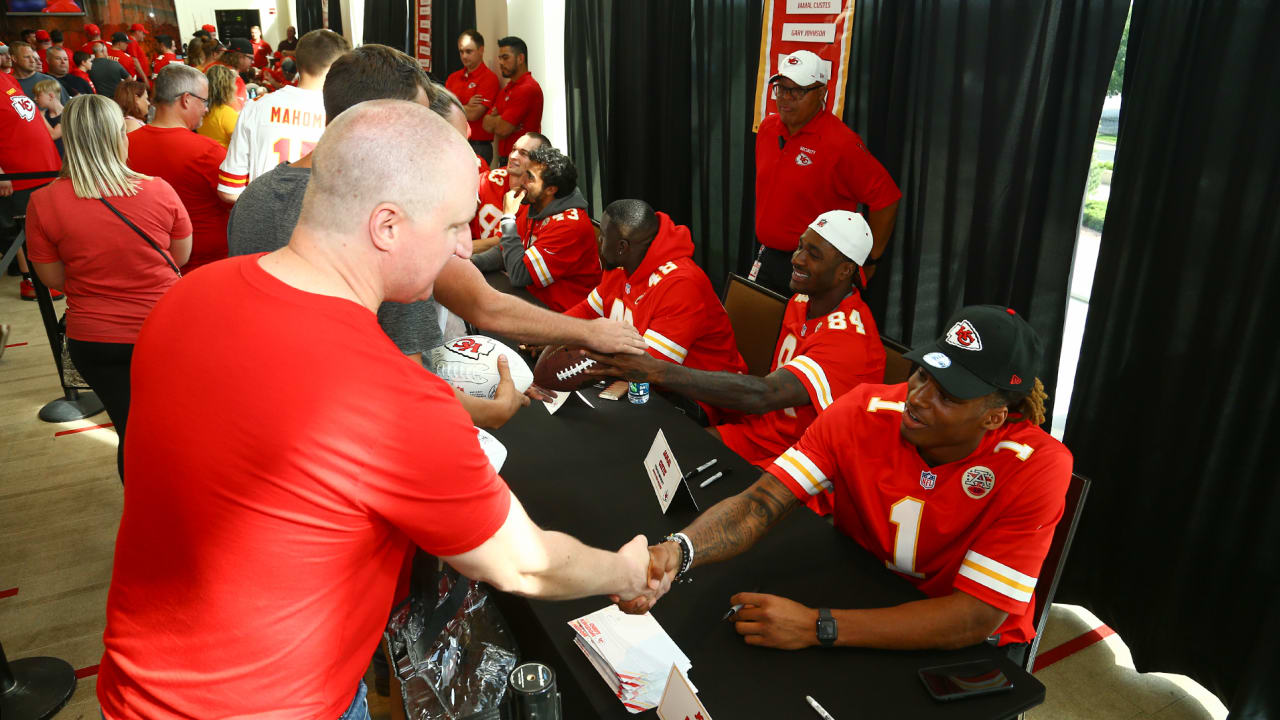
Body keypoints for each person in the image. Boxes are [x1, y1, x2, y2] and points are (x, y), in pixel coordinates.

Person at [96, 98, 654, 719]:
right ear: (387, 225)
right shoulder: (391, 399)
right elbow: (527, 566)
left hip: (135, 688)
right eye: (453, 227)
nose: (467, 249)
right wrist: (626, 570)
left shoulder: (186, 297)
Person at [620, 306, 1070, 666]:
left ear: (995, 417)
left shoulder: (1039, 467)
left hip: (962, 642)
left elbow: (972, 618)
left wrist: (819, 627)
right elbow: (761, 503)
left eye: (947, 395)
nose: (917, 397)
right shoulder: (863, 409)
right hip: (864, 592)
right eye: (921, 374)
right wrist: (676, 553)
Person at [228, 45, 643, 424]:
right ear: (387, 118)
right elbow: (410, 381)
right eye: (424, 121)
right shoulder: (392, 228)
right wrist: (487, 411)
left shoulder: (253, 199)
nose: (462, 243)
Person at [589, 210, 886, 513]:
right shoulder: (802, 301)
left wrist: (658, 371)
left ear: (845, 271)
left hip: (804, 458)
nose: (796, 259)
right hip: (763, 433)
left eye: (813, 254)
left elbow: (764, 395)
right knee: (662, 457)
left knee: (702, 507)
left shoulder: (849, 340)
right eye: (800, 246)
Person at [24, 94, 192, 480]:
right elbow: (180, 257)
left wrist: (97, 277)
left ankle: (143, 516)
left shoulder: (43, 202)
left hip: (96, 339)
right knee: (174, 428)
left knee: (129, 429)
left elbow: (51, 280)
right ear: (119, 136)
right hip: (163, 331)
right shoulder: (158, 191)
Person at [567, 199, 749, 417]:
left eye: (604, 235)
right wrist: (555, 334)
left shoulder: (682, 284)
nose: (599, 238)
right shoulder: (621, 268)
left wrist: (573, 348)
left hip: (701, 399)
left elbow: (647, 366)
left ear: (622, 247)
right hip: (645, 382)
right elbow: (586, 312)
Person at [753, 50, 901, 296]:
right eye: (781, 88)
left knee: (804, 333)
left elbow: (886, 199)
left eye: (798, 91)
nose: (786, 98)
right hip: (768, 258)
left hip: (814, 268)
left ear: (821, 92)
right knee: (760, 328)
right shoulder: (769, 128)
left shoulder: (841, 143)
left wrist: (869, 259)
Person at [216, 29, 349, 202]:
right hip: (320, 221)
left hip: (264, 220)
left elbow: (229, 190)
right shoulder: (345, 115)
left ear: (297, 62)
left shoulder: (255, 107)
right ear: (338, 67)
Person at [127, 64, 229, 272]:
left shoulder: (124, 145)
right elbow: (238, 202)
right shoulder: (208, 151)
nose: (206, 108)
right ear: (186, 99)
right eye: (204, 101)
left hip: (145, 264)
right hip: (205, 267)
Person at [471, 146, 600, 311]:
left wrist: (508, 217)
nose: (522, 181)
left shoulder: (570, 226)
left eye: (530, 177)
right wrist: (472, 264)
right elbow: (504, 250)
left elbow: (519, 275)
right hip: (531, 301)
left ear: (550, 189)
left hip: (562, 317)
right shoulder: (535, 203)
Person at [0, 68, 63, 303]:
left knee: (47, 227)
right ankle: (31, 280)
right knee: (24, 231)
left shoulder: (6, 78)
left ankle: (47, 277)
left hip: (44, 168)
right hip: (18, 175)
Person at [471, 131, 546, 250]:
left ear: (540, 164)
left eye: (523, 153)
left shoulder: (540, 195)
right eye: (513, 149)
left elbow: (502, 243)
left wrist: (453, 249)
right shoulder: (489, 180)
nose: (512, 156)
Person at [483, 36, 542, 164]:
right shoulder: (507, 89)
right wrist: (502, 120)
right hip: (506, 160)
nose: (501, 63)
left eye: (505, 58)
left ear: (520, 58)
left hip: (525, 161)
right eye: (500, 58)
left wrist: (499, 120)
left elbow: (502, 130)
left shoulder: (527, 88)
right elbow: (486, 124)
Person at [445, 29, 500, 165]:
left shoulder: (489, 78)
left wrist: (453, 104)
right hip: (453, 143)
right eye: (461, 51)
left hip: (478, 147)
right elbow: (442, 109)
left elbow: (474, 114)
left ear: (481, 50)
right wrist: (465, 106)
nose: (464, 56)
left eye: (469, 51)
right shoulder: (453, 78)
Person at [11, 41, 69, 106]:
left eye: (33, 57)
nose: (32, 61)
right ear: (14, 58)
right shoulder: (6, 83)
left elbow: (68, 109)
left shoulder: (50, 81)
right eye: (27, 57)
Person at [197, 64, 240, 147]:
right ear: (228, 89)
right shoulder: (227, 114)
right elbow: (242, 145)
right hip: (224, 158)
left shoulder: (200, 111)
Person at [31, 78, 64, 154]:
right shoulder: (43, 114)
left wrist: (40, 116)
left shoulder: (67, 114)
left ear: (51, 96)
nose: (35, 99)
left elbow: (53, 135)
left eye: (38, 95)